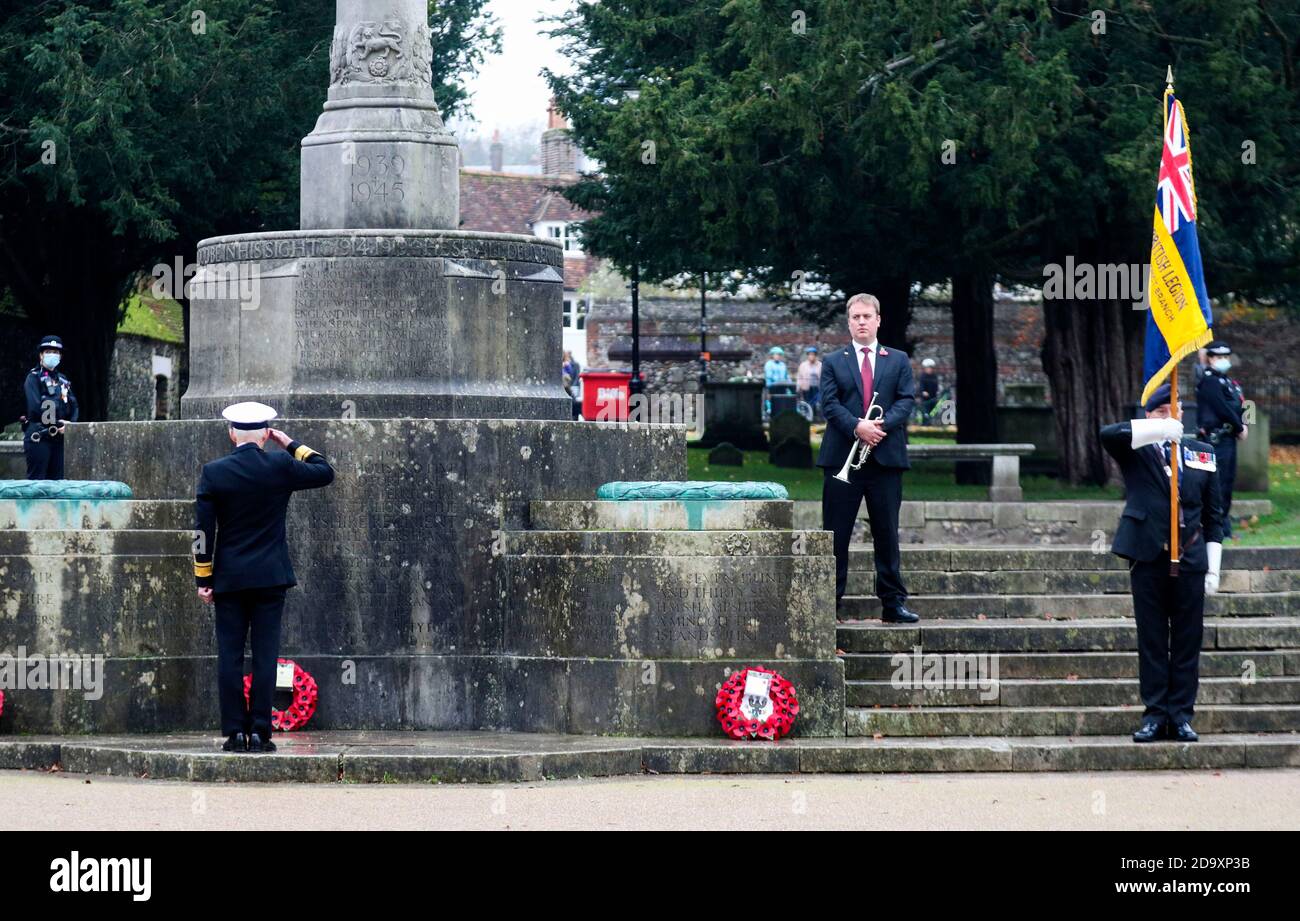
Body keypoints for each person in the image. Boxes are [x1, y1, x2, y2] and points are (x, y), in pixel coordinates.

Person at [194, 402, 335, 754]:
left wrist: (203, 579)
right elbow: (324, 470)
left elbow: (202, 531)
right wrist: (290, 444)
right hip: (270, 576)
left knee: (229, 656)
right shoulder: (280, 464)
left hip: (229, 578)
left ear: (232, 434)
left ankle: (233, 733)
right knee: (265, 655)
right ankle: (260, 732)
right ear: (265, 434)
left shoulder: (214, 472)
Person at [1100, 383, 1223, 743]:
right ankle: (1154, 715)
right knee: (1152, 639)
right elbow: (1108, 434)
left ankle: (1181, 716)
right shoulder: (1137, 450)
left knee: (1187, 641)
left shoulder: (1201, 453)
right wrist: (1157, 430)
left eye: (1174, 412)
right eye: (1160, 413)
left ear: (1183, 414)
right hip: (1148, 556)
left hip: (1191, 557)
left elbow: (1215, 516)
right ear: (1149, 416)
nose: (1170, 418)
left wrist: (1213, 567)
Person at [817, 293, 918, 623]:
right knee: (836, 534)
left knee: (887, 534)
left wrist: (881, 425)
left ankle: (893, 603)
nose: (861, 321)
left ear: (878, 320)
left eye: (866, 316)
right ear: (848, 322)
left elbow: (906, 400)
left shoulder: (898, 359)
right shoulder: (833, 361)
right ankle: (830, 604)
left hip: (885, 460)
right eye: (855, 317)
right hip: (840, 460)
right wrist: (858, 427)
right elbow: (829, 404)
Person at [1196, 340, 1246, 538]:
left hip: (1228, 437)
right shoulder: (1209, 380)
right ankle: (1215, 526)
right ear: (1210, 359)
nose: (1223, 360)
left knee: (1227, 481)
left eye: (1226, 357)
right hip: (1215, 439)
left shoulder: (1229, 382)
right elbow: (1221, 408)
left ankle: (1223, 525)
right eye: (1218, 357)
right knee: (1217, 484)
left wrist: (1244, 424)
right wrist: (1240, 427)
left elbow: (1240, 404)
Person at [22, 335, 79, 480]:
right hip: (39, 436)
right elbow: (35, 408)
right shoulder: (33, 378)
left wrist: (70, 425)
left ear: (60, 356)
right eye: (48, 352)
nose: (52, 355)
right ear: (41, 355)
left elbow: (74, 405)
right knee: (38, 483)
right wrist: (58, 423)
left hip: (60, 438)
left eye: (56, 352)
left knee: (58, 483)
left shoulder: (63, 380)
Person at [796, 347, 822, 417]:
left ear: (815, 356)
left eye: (813, 354)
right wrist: (798, 387)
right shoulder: (803, 365)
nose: (811, 356)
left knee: (817, 402)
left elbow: (823, 376)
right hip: (806, 387)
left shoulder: (820, 365)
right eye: (810, 354)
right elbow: (799, 376)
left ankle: (816, 417)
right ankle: (809, 417)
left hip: (817, 387)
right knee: (807, 403)